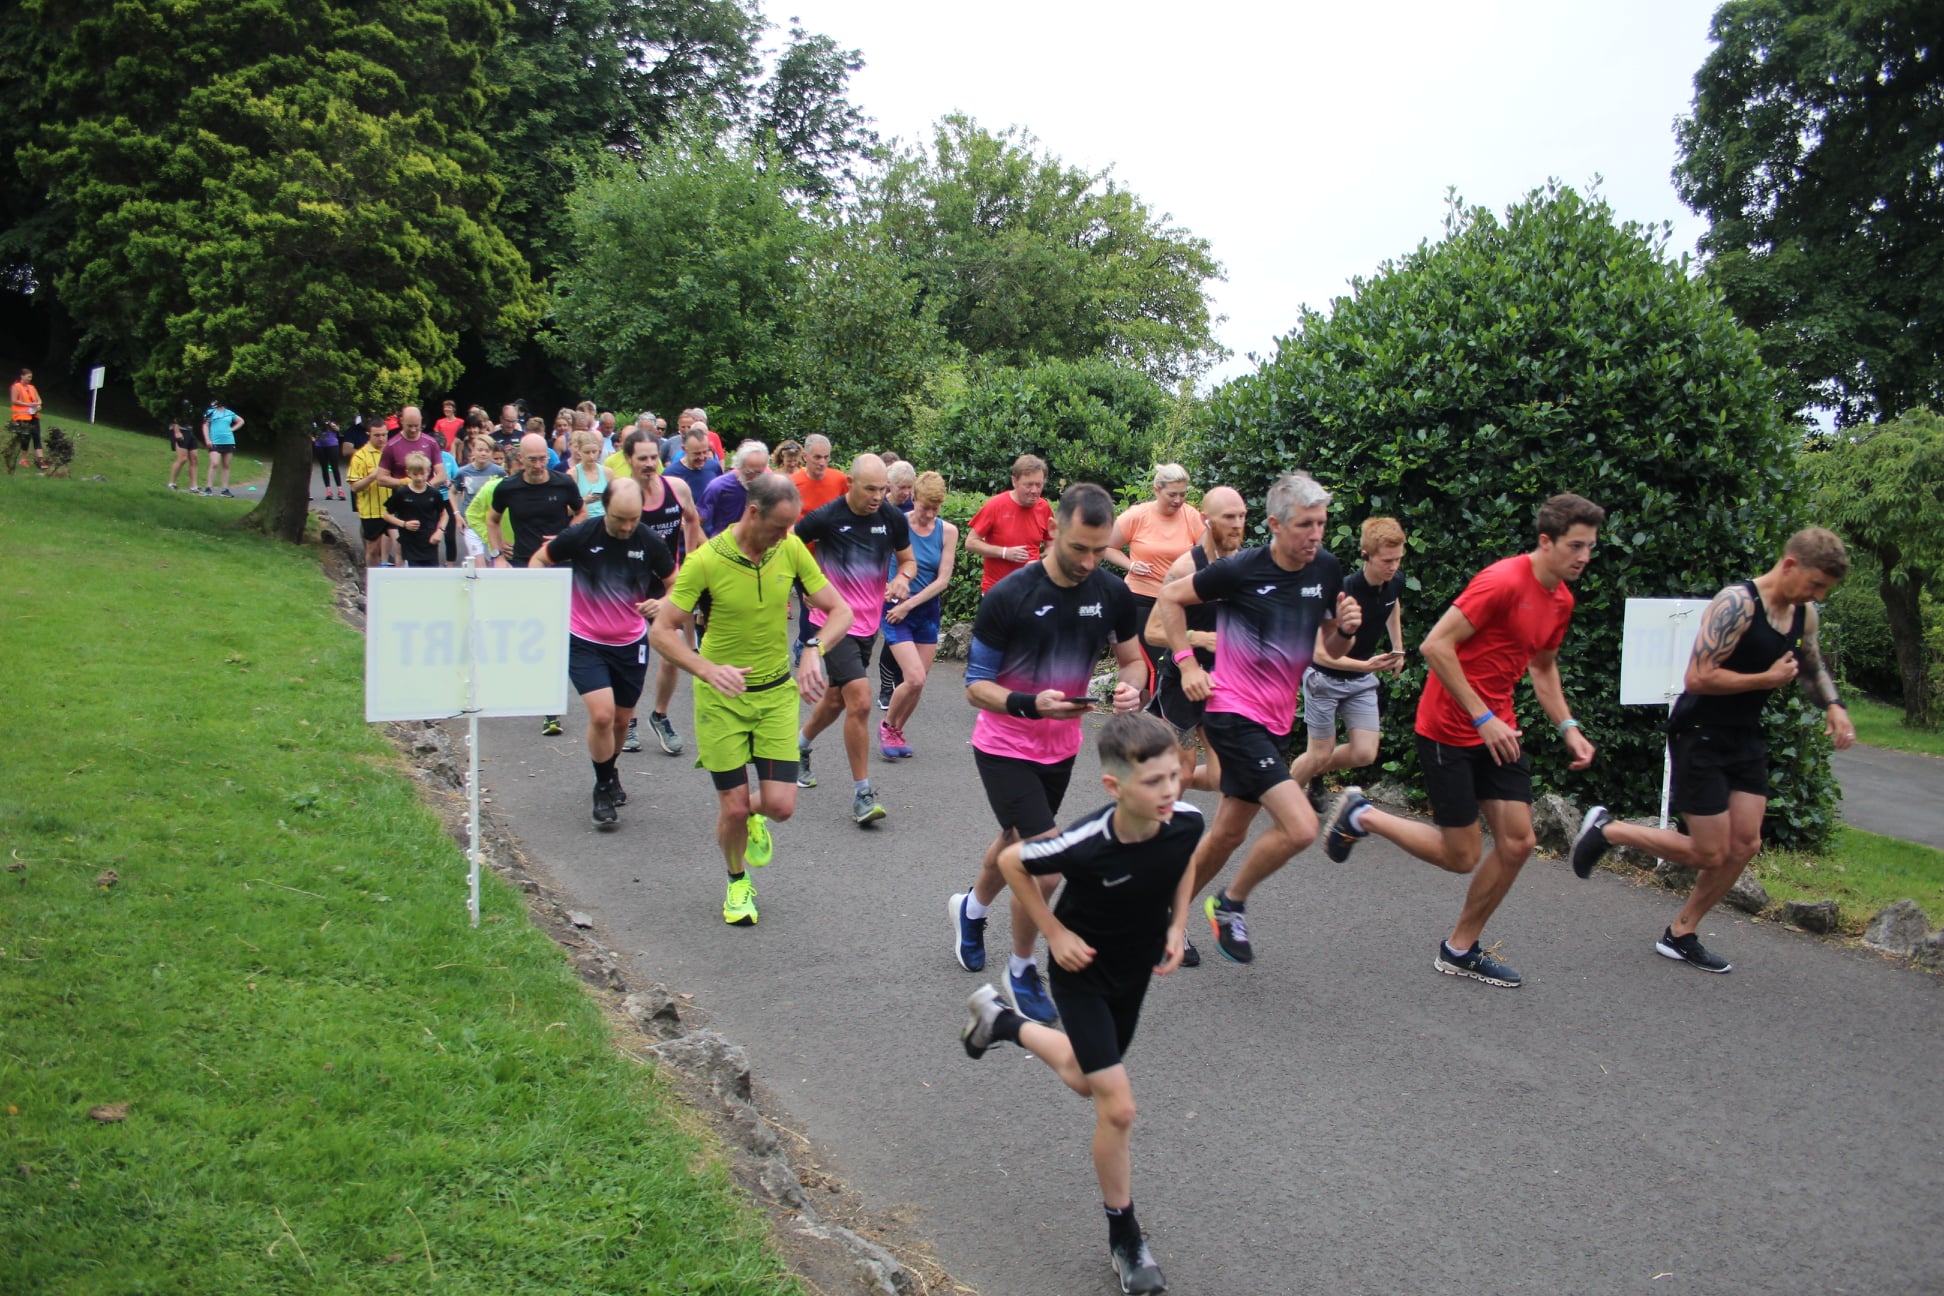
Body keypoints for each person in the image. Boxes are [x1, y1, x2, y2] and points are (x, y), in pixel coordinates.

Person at [1320, 494, 1605, 989]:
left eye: (1590, 547)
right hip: (1449, 727)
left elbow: (1542, 668)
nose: (1584, 556)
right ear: (1546, 541)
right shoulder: (1503, 581)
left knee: (1519, 842)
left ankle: (1459, 949)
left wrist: (1569, 728)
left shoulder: (1560, 600)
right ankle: (1362, 815)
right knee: (1461, 855)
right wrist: (1482, 717)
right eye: (1575, 546)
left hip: (1498, 730)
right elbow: (1436, 645)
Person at [959, 711, 1199, 1296]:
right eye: (1153, 781)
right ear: (1114, 786)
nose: (1169, 791)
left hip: (1133, 974)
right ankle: (1126, 1239)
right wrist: (1054, 933)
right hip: (1081, 975)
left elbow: (1185, 860)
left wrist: (1178, 924)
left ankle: (1002, 1021)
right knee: (1117, 1107)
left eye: (1174, 776)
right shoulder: (1087, 841)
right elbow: (1013, 862)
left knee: (1085, 1080)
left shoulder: (1184, 821)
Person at [1568, 527, 1857, 973]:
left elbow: (1811, 666)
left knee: (1745, 844)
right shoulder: (1737, 604)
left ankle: (1681, 933)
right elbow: (1698, 678)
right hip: (1699, 731)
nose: (1816, 595)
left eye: (1824, 590)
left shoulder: (1804, 614)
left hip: (1745, 734)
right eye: (1815, 584)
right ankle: (1610, 830)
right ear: (1790, 565)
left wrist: (1834, 706)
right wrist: (1766, 679)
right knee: (1709, 851)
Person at [949, 483, 1147, 1023]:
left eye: (1100, 550)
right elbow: (975, 686)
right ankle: (1021, 969)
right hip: (1004, 745)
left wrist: (1131, 688)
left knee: (1014, 841)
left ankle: (970, 909)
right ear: (1054, 529)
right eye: (1079, 547)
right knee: (1047, 865)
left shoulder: (1112, 593)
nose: (1089, 562)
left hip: (1060, 748)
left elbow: (1133, 661)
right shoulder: (1009, 595)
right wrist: (1029, 704)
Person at [1150, 471, 1359, 965]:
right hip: (1232, 712)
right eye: (1305, 525)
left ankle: (1163, 917)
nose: (1315, 535)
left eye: (1321, 524)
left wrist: (1347, 632)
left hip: (1276, 720)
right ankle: (1229, 904)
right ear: (1276, 525)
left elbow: (1330, 647)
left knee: (1228, 834)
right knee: (1301, 826)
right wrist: (1187, 664)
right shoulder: (1242, 569)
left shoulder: (1326, 569)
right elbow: (1170, 600)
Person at [651, 473, 854, 926]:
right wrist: (706, 668)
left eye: (791, 527)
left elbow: (841, 610)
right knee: (733, 805)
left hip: (776, 695)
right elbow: (661, 631)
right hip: (721, 698)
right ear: (753, 512)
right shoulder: (705, 561)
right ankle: (737, 881)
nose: (785, 535)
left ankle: (750, 816)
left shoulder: (790, 548)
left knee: (781, 806)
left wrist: (814, 649)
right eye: (779, 526)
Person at [533, 477, 678, 826]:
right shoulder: (583, 534)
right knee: (601, 715)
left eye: (634, 519)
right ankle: (601, 788)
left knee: (621, 720)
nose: (627, 527)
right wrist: (545, 602)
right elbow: (539, 560)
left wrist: (662, 603)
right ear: (605, 508)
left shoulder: (649, 541)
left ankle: (610, 771)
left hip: (630, 642)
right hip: (584, 639)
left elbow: (676, 584)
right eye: (619, 519)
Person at [792, 455, 915, 825]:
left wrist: (903, 578)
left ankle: (798, 747)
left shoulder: (891, 518)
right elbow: (788, 550)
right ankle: (863, 794)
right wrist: (804, 589)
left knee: (836, 700)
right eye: (870, 489)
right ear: (850, 483)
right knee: (859, 701)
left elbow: (907, 561)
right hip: (832, 623)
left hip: (867, 626)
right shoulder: (826, 517)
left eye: (883, 489)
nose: (877, 496)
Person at [1289, 517, 1408, 802]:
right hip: (1324, 679)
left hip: (1360, 679)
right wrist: (1366, 666)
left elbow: (1392, 604)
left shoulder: (1395, 581)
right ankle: (1284, 802)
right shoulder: (1343, 593)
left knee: (1365, 753)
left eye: (1398, 559)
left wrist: (1398, 648)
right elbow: (1318, 654)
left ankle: (1315, 772)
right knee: (1318, 753)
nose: (1393, 566)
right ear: (1366, 555)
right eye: (1387, 560)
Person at [1144, 484, 1248, 796]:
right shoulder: (1186, 569)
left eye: (1242, 516)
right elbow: (1152, 631)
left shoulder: (1246, 567)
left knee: (1220, 776)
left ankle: (1146, 788)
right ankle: (1157, 818)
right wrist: (1197, 638)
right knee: (1184, 769)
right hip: (1182, 681)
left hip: (1220, 682)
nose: (1237, 524)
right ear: (1206, 519)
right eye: (1228, 517)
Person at [489, 433, 584, 736]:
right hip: (523, 565)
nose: (539, 464)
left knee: (556, 634)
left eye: (543, 458)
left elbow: (581, 512)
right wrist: (496, 554)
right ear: (521, 459)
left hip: (559, 565)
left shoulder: (562, 483)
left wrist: (565, 537)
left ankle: (550, 708)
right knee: (532, 632)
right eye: (532, 460)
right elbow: (492, 519)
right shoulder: (508, 487)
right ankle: (528, 690)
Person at [621, 434, 706, 757]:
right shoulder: (623, 494)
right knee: (631, 658)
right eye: (641, 458)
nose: (648, 464)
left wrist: (689, 560)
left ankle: (660, 715)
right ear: (629, 459)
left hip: (667, 584)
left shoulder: (677, 488)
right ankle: (628, 719)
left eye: (653, 457)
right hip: (628, 586)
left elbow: (692, 518)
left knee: (672, 652)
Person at [878, 471, 958, 759]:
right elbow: (875, 561)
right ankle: (886, 726)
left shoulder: (948, 531)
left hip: (924, 611)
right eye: (925, 507)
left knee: (918, 683)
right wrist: (885, 590)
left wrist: (909, 605)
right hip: (894, 610)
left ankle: (897, 730)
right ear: (913, 498)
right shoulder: (896, 523)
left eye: (936, 508)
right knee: (913, 678)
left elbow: (943, 580)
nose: (930, 514)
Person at [1104, 464, 1206, 689]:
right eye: (1172, 494)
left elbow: (1207, 554)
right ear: (1156, 490)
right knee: (1155, 666)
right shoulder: (1137, 515)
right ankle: (1148, 710)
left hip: (1177, 602)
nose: (1178, 500)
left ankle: (1151, 708)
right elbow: (1107, 547)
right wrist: (1131, 565)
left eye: (1183, 494)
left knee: (1177, 662)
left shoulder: (1191, 516)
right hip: (1141, 599)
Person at [790, 434, 852, 657]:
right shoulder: (793, 483)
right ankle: (805, 647)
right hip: (802, 556)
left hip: (832, 556)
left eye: (826, 457)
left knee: (830, 604)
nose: (822, 462)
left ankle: (814, 644)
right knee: (810, 603)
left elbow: (850, 509)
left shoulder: (839, 479)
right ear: (805, 456)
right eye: (817, 457)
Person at [965, 453, 1054, 594]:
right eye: (1028, 485)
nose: (1034, 491)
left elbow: (1052, 544)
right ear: (1014, 481)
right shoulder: (996, 505)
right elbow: (970, 542)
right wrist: (1004, 552)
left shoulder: (1044, 508)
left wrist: (1041, 562)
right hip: (997, 591)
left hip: (1031, 590)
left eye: (1039, 485)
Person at [381, 453, 447, 568]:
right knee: (413, 573)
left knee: (432, 574)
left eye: (422, 473)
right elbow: (386, 515)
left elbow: (444, 514)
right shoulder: (402, 493)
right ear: (408, 473)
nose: (419, 478)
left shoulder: (434, 494)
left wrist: (440, 531)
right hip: (409, 542)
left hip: (430, 541)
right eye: (415, 474)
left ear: (428, 471)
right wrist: (404, 524)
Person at [346, 422, 393, 567]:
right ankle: (372, 576)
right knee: (373, 549)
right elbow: (355, 487)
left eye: (384, 435)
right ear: (369, 435)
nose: (381, 438)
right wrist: (372, 476)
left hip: (394, 508)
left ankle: (399, 575)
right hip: (372, 510)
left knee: (400, 544)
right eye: (377, 435)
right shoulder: (360, 456)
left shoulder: (393, 451)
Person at [699, 441, 769, 537]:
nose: (755, 478)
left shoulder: (768, 485)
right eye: (750, 473)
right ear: (739, 466)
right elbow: (696, 522)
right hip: (723, 542)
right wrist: (706, 544)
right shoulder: (719, 486)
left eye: (760, 473)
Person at [452, 437, 504, 563]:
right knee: (479, 564)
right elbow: (452, 492)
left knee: (491, 561)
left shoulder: (499, 472)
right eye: (480, 450)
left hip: (491, 522)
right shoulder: (463, 472)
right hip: (471, 523)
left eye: (487, 450)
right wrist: (457, 514)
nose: (483, 453)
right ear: (473, 451)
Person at [664, 429, 722, 502]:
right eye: (697, 453)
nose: (701, 457)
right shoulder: (670, 474)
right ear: (684, 449)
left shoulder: (714, 467)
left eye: (705, 452)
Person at [202, 398, 244, 496]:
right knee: (214, 463)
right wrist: (207, 439)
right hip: (215, 441)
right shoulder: (210, 412)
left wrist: (232, 429)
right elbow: (205, 426)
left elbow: (241, 421)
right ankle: (208, 488)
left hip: (228, 441)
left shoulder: (229, 413)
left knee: (226, 465)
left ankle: (225, 489)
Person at [568, 429, 613, 519]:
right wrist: (584, 501)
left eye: (594, 452)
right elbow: (566, 510)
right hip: (583, 522)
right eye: (587, 452)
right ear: (579, 452)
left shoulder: (608, 473)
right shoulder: (572, 475)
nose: (591, 456)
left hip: (605, 520)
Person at [7, 367, 43, 473]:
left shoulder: (32, 388)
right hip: (22, 416)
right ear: (22, 376)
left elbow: (39, 400)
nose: (29, 379)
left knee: (37, 436)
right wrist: (29, 404)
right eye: (28, 377)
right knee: (26, 438)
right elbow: (14, 401)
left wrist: (38, 405)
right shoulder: (16, 387)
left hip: (34, 415)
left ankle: (41, 460)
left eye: (31, 377)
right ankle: (23, 459)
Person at [168, 417, 205, 493]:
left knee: (194, 459)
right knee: (182, 459)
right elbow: (174, 414)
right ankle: (171, 483)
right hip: (179, 430)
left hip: (189, 430)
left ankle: (193, 487)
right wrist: (177, 431)